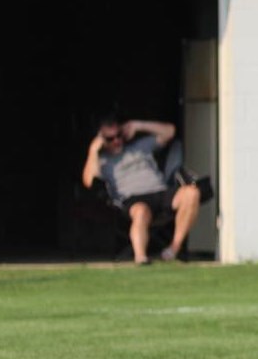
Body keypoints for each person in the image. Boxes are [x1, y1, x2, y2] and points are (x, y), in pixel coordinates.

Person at [81, 113, 200, 264]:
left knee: (192, 193)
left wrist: (138, 125)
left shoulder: (139, 147)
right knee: (141, 212)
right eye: (110, 139)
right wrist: (93, 150)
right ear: (102, 140)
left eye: (119, 135)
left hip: (160, 191)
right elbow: (88, 181)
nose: (117, 141)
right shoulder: (102, 161)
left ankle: (173, 250)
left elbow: (170, 131)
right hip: (133, 198)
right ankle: (140, 257)